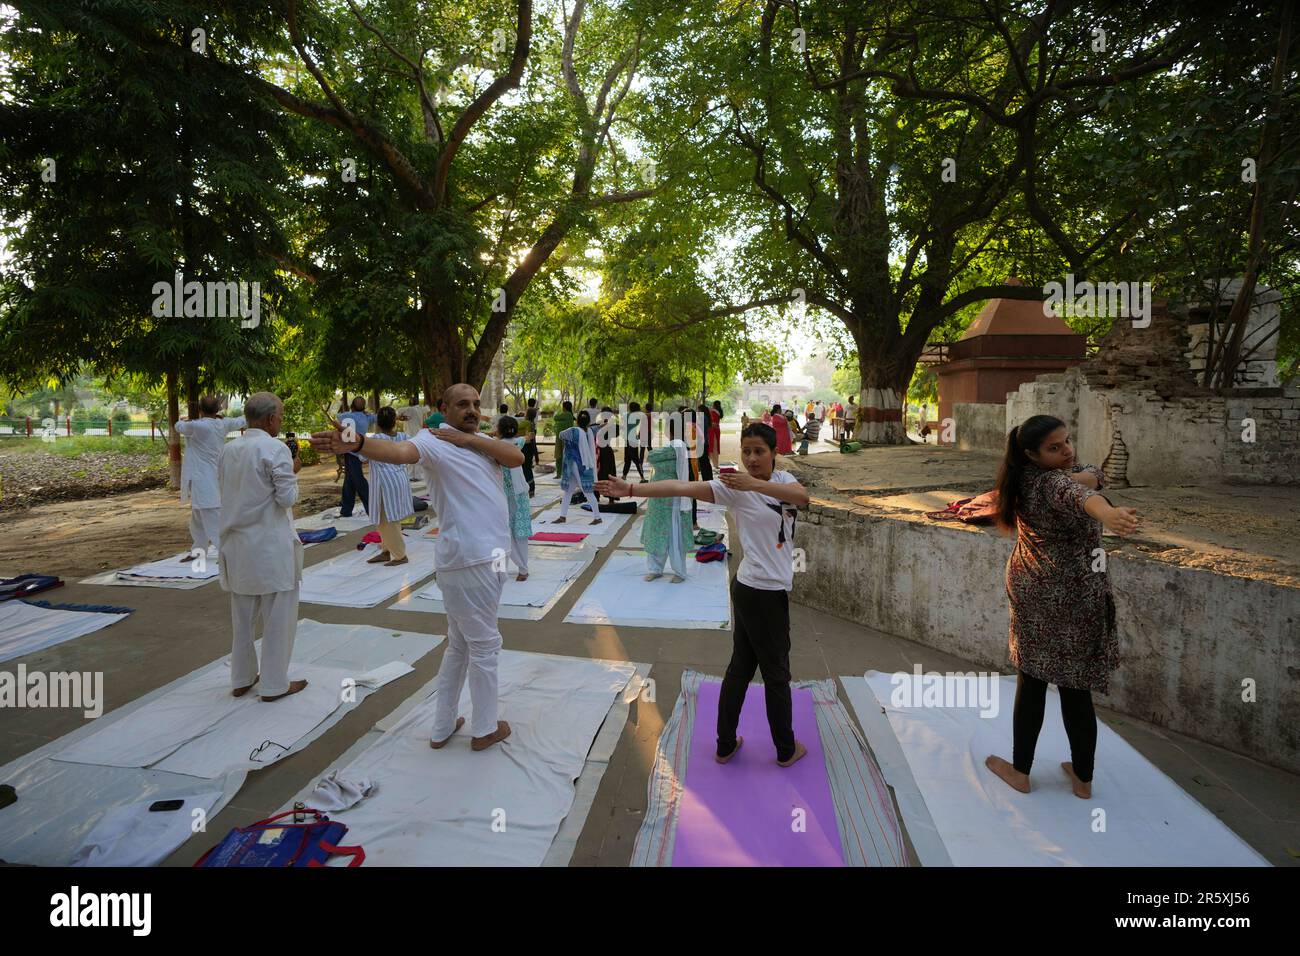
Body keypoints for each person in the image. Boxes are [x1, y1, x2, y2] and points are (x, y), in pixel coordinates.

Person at [311, 384, 523, 752]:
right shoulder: (431, 440)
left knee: (460, 644)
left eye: (476, 404)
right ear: (443, 407)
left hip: (478, 558)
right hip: (472, 560)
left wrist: (468, 439)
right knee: (486, 645)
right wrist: (356, 443)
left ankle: (443, 726)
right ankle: (485, 729)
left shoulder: (477, 442)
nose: (472, 410)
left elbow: (515, 457)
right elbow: (398, 452)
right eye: (462, 404)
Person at [596, 422, 811, 766]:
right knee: (776, 675)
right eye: (746, 452)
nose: (751, 459)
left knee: (741, 667)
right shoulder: (734, 489)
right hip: (760, 593)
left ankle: (725, 745)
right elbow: (680, 486)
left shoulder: (782, 481)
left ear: (774, 453)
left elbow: (802, 498)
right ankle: (785, 749)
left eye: (759, 451)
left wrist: (755, 484)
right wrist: (633, 488)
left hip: (759, 590)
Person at [985, 415, 1141, 800]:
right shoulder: (1050, 483)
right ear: (1031, 455)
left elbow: (1093, 475)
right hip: (1066, 598)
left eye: (1067, 441)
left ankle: (1022, 772)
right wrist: (1108, 512)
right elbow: (1081, 494)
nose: (1067, 451)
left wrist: (1086, 481)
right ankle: (1082, 779)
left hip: (1042, 592)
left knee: (1034, 681)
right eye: (1054, 448)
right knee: (1073, 688)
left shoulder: (1030, 477)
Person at [218, 392, 307, 702]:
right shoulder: (275, 448)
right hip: (270, 546)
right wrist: (293, 470)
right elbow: (286, 498)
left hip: (236, 544)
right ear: (270, 419)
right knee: (279, 618)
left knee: (242, 619)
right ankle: (273, 683)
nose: (280, 422)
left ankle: (241, 678)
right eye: (280, 417)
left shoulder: (229, 449)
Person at [175, 396, 245, 561]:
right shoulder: (222, 424)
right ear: (218, 410)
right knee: (198, 519)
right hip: (210, 477)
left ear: (200, 410)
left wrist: (186, 419)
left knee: (212, 519)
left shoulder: (197, 426)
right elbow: (242, 420)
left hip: (203, 480)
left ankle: (227, 554)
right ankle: (198, 551)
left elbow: (178, 426)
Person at [638, 415, 692, 582]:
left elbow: (651, 456)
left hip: (672, 496)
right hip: (660, 496)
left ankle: (679, 572)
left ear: (670, 429)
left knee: (674, 534)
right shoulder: (676, 446)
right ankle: (655, 569)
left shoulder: (676, 446)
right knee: (656, 531)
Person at [361, 407, 414, 566]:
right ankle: (386, 550)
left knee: (387, 520)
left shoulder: (375, 439)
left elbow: (362, 457)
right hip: (399, 480)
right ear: (394, 421)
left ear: (377, 422)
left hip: (385, 483)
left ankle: (400, 555)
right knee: (387, 517)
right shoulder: (404, 437)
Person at [495, 416, 531, 581]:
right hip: (520, 493)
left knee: (502, 532)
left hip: (502, 493)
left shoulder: (495, 446)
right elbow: (526, 438)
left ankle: (500, 569)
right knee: (520, 532)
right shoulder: (518, 443)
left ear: (499, 430)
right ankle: (523, 569)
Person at [554, 410, 603, 525]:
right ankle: (562, 516)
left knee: (586, 491)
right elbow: (596, 428)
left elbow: (561, 435)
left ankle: (597, 517)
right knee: (569, 492)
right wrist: (599, 425)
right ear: (588, 422)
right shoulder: (589, 431)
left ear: (577, 421)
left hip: (576, 465)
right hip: (581, 465)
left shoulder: (573, 431)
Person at [337, 397, 374, 518]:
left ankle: (371, 508)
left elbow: (338, 416)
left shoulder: (345, 416)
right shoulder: (366, 417)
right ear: (364, 407)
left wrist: (346, 408)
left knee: (358, 481)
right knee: (350, 480)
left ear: (352, 406)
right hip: (360, 450)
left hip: (349, 451)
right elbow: (376, 417)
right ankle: (346, 510)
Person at [622, 400, 647, 480]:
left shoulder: (625, 416)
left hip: (626, 438)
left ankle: (624, 476)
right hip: (633, 438)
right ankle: (642, 477)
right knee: (636, 459)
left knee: (627, 459)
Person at [553, 400, 575, 471]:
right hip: (567, 438)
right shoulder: (570, 415)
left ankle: (560, 472)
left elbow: (555, 417)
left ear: (564, 407)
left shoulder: (566, 414)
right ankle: (565, 472)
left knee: (559, 455)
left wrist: (556, 412)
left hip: (561, 439)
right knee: (565, 455)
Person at [708, 400, 723, 468]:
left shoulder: (712, 411)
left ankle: (713, 463)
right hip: (717, 430)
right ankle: (715, 464)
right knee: (715, 447)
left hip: (712, 431)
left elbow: (711, 422)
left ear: (714, 405)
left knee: (711, 447)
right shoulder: (719, 412)